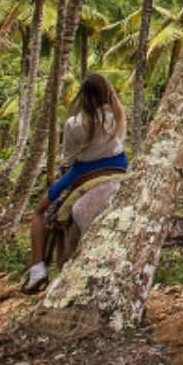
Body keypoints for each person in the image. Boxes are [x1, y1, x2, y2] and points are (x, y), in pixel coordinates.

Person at [21, 72, 128, 294]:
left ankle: (37, 269)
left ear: (83, 96)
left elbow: (69, 158)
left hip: (84, 171)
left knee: (40, 212)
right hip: (119, 168)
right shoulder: (117, 114)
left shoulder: (74, 123)